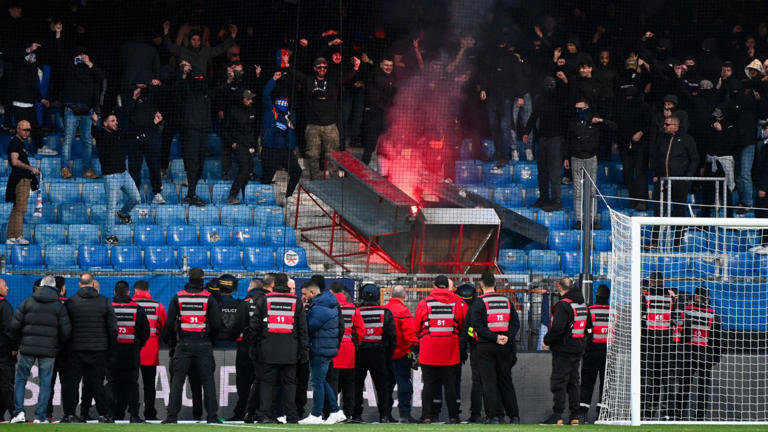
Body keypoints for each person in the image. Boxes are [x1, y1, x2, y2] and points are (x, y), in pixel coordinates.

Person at [8, 276, 71, 424]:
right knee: (45, 383)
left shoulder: (27, 302)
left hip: (27, 348)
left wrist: (16, 345)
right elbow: (66, 332)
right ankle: (40, 416)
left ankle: (18, 413)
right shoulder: (59, 306)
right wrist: (57, 344)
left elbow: (14, 326)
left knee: (20, 379)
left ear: (41, 286)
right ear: (54, 287)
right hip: (48, 350)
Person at [162, 268, 221, 424]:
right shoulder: (209, 298)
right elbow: (216, 325)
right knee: (208, 381)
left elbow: (169, 324)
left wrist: (169, 342)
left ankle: (171, 417)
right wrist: (211, 339)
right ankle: (212, 417)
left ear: (188, 279)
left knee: (177, 381)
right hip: (203, 343)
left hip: (183, 344)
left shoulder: (178, 297)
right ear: (202, 279)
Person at [250, 273, 308, 423]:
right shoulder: (296, 301)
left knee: (267, 383)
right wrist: (303, 350)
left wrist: (254, 346)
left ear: (274, 283)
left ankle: (264, 415)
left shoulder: (264, 299)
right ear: (287, 285)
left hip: (267, 348)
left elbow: (255, 325)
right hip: (290, 350)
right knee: (289, 384)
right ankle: (292, 416)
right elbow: (303, 329)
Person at [293, 56, 360, 180]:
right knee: (313, 155)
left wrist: (355, 68)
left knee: (333, 154)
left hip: (330, 125)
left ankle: (334, 179)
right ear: (315, 68)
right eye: (319, 67)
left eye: (324, 67)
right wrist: (286, 65)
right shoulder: (309, 80)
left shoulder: (332, 81)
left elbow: (345, 78)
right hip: (313, 125)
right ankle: (315, 180)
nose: (322, 69)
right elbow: (297, 74)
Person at [61, 273, 116, 423]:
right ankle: (104, 414)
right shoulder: (105, 302)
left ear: (79, 284)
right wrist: (111, 350)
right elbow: (113, 329)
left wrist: (66, 348)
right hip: (99, 350)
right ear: (93, 284)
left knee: (72, 383)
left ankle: (69, 414)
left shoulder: (70, 302)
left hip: (75, 350)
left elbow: (65, 329)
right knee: (97, 383)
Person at [53, 23, 104, 179]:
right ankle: (65, 168)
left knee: (87, 141)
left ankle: (87, 169)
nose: (81, 58)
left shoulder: (90, 70)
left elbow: (102, 77)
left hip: (87, 111)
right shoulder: (69, 67)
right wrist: (58, 34)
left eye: (84, 55)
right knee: (68, 141)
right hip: (71, 110)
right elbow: (59, 51)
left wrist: (89, 63)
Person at [414, 275, 468, 424]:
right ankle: (453, 417)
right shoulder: (458, 303)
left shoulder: (424, 303)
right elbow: (464, 324)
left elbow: (416, 328)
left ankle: (426, 416)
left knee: (429, 385)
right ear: (449, 287)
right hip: (451, 351)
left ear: (434, 286)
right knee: (450, 385)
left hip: (428, 351)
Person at [470, 272, 521, 424]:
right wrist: (507, 336)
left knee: (489, 382)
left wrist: (494, 337)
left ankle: (493, 416)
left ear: (481, 285)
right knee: (506, 381)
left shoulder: (479, 302)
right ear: (495, 284)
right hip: (505, 346)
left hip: (486, 346)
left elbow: (477, 326)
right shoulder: (507, 301)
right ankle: (514, 416)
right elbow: (515, 324)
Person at [541, 277, 588, 425]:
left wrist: (546, 340)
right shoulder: (582, 304)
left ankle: (557, 415)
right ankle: (575, 416)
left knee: (559, 382)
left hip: (563, 349)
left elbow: (557, 329)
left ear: (559, 287)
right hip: (578, 347)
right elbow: (587, 327)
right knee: (574, 382)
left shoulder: (563, 305)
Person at [299, 280, 346, 424]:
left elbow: (308, 327)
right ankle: (336, 411)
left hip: (320, 348)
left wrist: (303, 312)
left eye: (305, 294)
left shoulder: (319, 307)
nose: (303, 297)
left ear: (312, 292)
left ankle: (316, 414)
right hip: (326, 347)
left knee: (317, 382)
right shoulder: (326, 303)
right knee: (321, 380)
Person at [565, 98, 617, 229]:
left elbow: (614, 127)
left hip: (591, 158)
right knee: (577, 191)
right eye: (577, 108)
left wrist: (601, 120)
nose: (578, 111)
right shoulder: (572, 122)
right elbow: (567, 140)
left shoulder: (595, 122)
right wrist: (566, 158)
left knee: (592, 191)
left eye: (581, 108)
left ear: (587, 108)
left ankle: (592, 220)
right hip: (576, 158)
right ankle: (579, 220)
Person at [91, 112, 141, 245]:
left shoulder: (119, 133)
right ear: (105, 123)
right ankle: (109, 236)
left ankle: (123, 213)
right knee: (111, 207)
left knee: (136, 198)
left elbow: (133, 133)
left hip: (124, 174)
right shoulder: (101, 135)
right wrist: (94, 123)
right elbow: (94, 131)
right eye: (112, 121)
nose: (116, 123)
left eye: (116, 120)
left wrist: (152, 123)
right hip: (111, 177)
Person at [672, 287, 722, 420]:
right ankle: (700, 416)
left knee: (684, 385)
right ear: (708, 298)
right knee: (703, 387)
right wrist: (716, 357)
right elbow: (717, 339)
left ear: (696, 297)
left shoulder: (686, 311)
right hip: (704, 355)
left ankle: (679, 413)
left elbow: (680, 332)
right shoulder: (713, 315)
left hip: (688, 353)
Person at [522, 77, 568, 212]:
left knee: (554, 173)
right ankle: (543, 198)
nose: (549, 88)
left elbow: (566, 119)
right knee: (542, 172)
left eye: (551, 85)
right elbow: (533, 116)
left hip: (556, 140)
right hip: (542, 139)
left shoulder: (560, 99)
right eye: (547, 85)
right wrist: (526, 132)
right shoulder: (540, 99)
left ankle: (556, 201)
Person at [352, 283, 396, 423]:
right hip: (379, 353)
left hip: (359, 353)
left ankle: (356, 415)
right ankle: (384, 415)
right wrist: (388, 356)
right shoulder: (385, 312)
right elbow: (392, 337)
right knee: (382, 386)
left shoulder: (356, 311)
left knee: (357, 386)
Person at [107, 281, 150, 422]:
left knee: (111, 384)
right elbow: (145, 333)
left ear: (114, 292)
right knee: (132, 384)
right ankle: (134, 415)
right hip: (131, 353)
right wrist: (137, 345)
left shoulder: (108, 308)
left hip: (112, 354)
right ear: (128, 292)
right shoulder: (138, 309)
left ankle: (110, 414)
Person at [228, 278, 266, 422]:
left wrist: (230, 337)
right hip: (263, 348)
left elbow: (236, 326)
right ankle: (258, 411)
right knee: (261, 381)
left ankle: (243, 410)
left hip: (245, 347)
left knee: (243, 382)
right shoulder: (268, 302)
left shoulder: (244, 304)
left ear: (250, 287)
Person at [260, 72, 302, 198]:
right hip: (270, 149)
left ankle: (288, 196)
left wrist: (293, 147)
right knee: (267, 178)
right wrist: (273, 79)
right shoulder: (270, 110)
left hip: (285, 151)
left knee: (297, 171)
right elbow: (265, 94)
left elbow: (292, 132)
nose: (283, 102)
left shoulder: (290, 115)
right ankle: (262, 201)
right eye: (281, 100)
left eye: (286, 100)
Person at [640, 272, 675, 420]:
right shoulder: (670, 298)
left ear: (651, 282)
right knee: (667, 378)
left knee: (648, 378)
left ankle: (646, 411)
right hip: (666, 342)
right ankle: (668, 413)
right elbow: (675, 318)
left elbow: (640, 318)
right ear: (663, 282)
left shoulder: (645, 297)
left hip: (648, 342)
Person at [650, 116, 699, 221]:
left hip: (679, 181)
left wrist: (688, 176)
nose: (664, 126)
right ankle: (656, 232)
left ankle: (679, 232)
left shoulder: (687, 139)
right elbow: (654, 156)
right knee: (658, 210)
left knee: (679, 210)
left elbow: (694, 159)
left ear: (676, 126)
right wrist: (655, 174)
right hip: (662, 181)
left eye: (667, 124)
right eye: (664, 124)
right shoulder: (661, 138)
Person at [123, 82, 166, 204]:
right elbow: (126, 113)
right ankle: (134, 196)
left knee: (154, 166)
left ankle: (157, 193)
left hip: (151, 137)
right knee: (134, 168)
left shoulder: (155, 95)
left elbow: (167, 101)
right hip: (134, 138)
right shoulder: (130, 95)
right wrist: (134, 98)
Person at [176, 60, 211, 207]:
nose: (199, 81)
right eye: (197, 78)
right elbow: (180, 87)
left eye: (201, 78)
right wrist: (183, 74)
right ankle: (191, 194)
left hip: (203, 132)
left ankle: (191, 194)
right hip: (191, 132)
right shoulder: (187, 91)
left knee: (200, 164)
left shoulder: (206, 93)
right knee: (192, 163)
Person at [328, 281, 364, 419]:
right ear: (343, 292)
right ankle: (349, 413)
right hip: (349, 350)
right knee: (349, 385)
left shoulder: (329, 307)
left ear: (331, 292)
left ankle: (330, 412)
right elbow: (361, 330)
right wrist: (355, 343)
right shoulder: (353, 309)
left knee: (332, 383)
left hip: (332, 349)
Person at [131, 280, 166, 421]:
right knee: (150, 385)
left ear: (135, 291)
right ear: (148, 290)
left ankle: (128, 412)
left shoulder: (129, 305)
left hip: (131, 349)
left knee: (129, 382)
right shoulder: (158, 306)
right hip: (151, 350)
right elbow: (164, 326)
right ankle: (150, 413)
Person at [384, 285, 418, 423]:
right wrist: (415, 348)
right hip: (401, 353)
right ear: (405, 296)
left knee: (386, 386)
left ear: (391, 295)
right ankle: (404, 414)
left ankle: (385, 415)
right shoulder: (403, 311)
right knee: (404, 383)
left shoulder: (384, 309)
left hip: (385, 354)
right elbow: (409, 333)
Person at [578, 284, 611, 422]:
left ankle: (582, 414)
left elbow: (584, 331)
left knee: (587, 383)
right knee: (605, 385)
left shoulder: (590, 310)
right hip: (609, 353)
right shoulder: (614, 311)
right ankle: (602, 415)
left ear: (597, 295)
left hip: (591, 352)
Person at [5, 120, 39, 245]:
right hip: (21, 179)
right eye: (24, 129)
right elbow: (14, 161)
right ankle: (18, 236)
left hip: (21, 178)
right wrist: (31, 168)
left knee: (16, 208)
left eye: (28, 130)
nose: (26, 132)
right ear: (18, 129)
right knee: (21, 209)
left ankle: (11, 236)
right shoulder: (15, 143)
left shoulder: (21, 143)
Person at [361, 56, 397, 165]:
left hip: (388, 116)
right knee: (370, 144)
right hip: (375, 115)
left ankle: (384, 170)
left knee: (387, 145)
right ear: (381, 65)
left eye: (390, 65)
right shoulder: (375, 76)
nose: (388, 67)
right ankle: (363, 167)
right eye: (386, 65)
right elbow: (372, 96)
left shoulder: (394, 78)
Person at [456, 283, 482, 423]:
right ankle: (495, 414)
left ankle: (474, 414)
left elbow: (465, 332)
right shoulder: (479, 306)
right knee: (491, 381)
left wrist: (462, 351)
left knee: (477, 381)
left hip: (474, 347)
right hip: (487, 345)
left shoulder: (459, 307)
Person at [225, 90, 257, 205]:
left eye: (251, 99)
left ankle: (243, 195)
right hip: (238, 144)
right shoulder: (233, 111)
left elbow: (254, 129)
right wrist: (232, 142)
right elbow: (226, 128)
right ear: (242, 99)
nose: (250, 101)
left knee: (248, 169)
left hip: (248, 145)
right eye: (248, 99)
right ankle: (232, 196)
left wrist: (253, 144)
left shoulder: (253, 111)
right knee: (244, 168)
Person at [0, 279, 13, 421]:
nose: (7, 288)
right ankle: (15, 412)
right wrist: (14, 347)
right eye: (4, 285)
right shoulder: (5, 306)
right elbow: (10, 329)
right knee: (6, 383)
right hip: (3, 352)